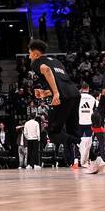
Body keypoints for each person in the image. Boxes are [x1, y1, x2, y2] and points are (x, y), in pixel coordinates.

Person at [28, 38, 81, 168]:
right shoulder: (57, 62)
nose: (29, 56)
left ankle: (78, 142)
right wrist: (45, 93)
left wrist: (56, 93)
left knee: (53, 133)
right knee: (71, 130)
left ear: (35, 54)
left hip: (63, 97)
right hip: (74, 94)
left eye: (29, 53)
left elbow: (46, 70)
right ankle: (84, 155)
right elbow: (61, 81)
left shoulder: (36, 63)